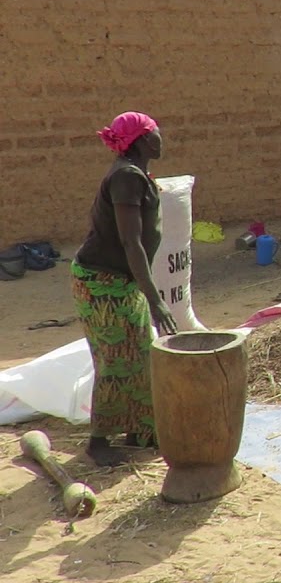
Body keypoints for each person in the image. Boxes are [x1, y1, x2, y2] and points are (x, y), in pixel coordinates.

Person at [72, 112, 179, 466]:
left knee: (140, 352)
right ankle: (99, 442)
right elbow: (131, 242)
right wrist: (156, 301)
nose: (163, 139)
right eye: (158, 133)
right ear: (145, 140)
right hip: (102, 283)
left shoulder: (135, 174)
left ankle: (139, 431)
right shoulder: (126, 178)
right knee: (116, 359)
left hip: (121, 280)